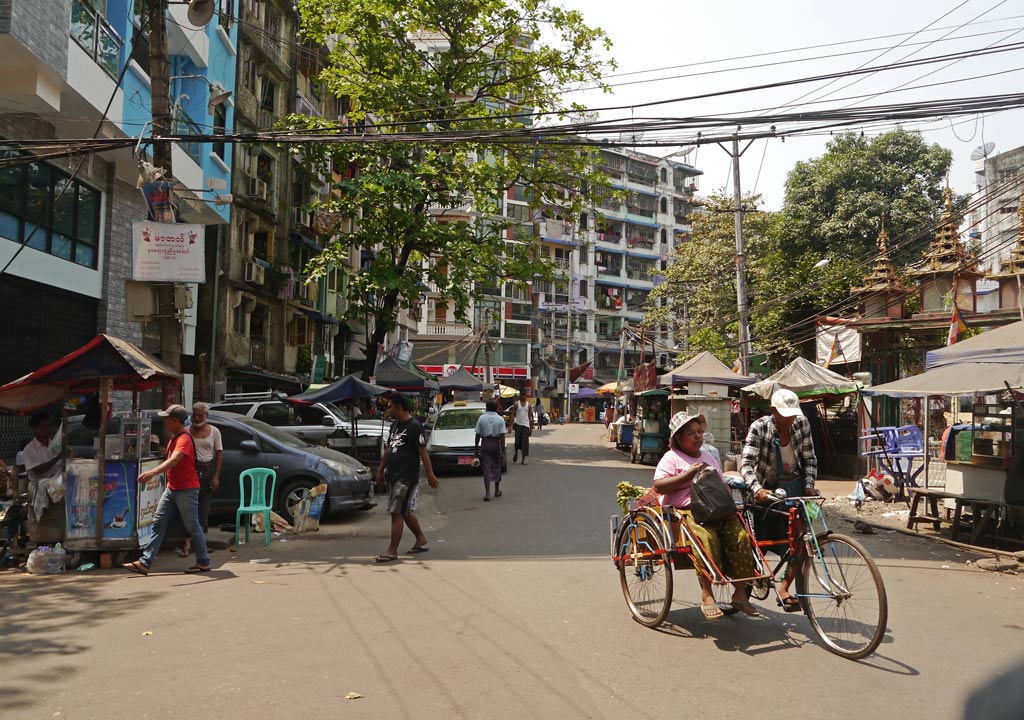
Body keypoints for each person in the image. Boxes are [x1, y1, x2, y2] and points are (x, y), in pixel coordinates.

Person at [654, 411, 757, 620]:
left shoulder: (708, 456)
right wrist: (688, 474)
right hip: (688, 510)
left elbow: (721, 482)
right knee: (706, 539)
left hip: (716, 508)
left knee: (742, 537)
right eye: (691, 433)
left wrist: (730, 505)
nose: (697, 436)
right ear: (679, 439)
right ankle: (707, 594)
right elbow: (659, 486)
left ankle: (739, 594)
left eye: (699, 432)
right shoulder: (671, 457)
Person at [739, 388, 819, 612]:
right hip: (765, 491)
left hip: (794, 487)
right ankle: (743, 587)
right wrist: (756, 488)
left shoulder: (801, 425)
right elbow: (746, 464)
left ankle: (784, 588)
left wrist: (810, 486)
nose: (790, 419)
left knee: (801, 543)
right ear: (773, 410)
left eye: (792, 414)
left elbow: (810, 458)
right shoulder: (760, 427)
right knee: (760, 543)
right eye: (785, 415)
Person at [124, 404, 210, 575]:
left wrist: (152, 473)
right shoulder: (174, 437)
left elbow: (175, 459)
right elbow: (171, 457)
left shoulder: (184, 438)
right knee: (158, 522)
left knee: (192, 526)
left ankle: (203, 561)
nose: (164, 422)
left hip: (186, 489)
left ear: (175, 420)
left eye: (167, 418)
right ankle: (145, 562)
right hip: (173, 487)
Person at [375, 394, 439, 563]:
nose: (389, 410)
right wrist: (380, 470)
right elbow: (389, 449)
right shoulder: (395, 426)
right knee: (404, 511)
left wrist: (430, 475)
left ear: (399, 407)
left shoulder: (414, 426)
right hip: (393, 475)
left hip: (406, 477)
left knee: (396, 511)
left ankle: (392, 550)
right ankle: (420, 538)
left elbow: (423, 452)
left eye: (391, 407)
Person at [180, 402, 222, 558]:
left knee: (204, 509)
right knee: (189, 509)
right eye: (195, 415)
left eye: (200, 415)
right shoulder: (186, 432)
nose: (197, 418)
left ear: (206, 416)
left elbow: (219, 455)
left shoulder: (214, 432)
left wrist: (216, 476)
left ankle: (200, 542)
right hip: (191, 473)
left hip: (208, 473)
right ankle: (187, 542)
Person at [474, 400, 507, 501]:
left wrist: (476, 448)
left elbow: (478, 434)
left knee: (486, 468)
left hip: (485, 444)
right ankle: (496, 490)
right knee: (497, 466)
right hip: (495, 444)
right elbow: (502, 437)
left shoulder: (481, 418)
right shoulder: (500, 419)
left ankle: (487, 493)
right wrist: (502, 451)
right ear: (496, 408)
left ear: (487, 408)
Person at [512, 394, 534, 465]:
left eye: (524, 395)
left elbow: (531, 417)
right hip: (518, 425)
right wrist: (510, 425)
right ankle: (516, 453)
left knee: (525, 443)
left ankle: (523, 459)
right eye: (522, 395)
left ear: (526, 396)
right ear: (520, 396)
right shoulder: (516, 404)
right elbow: (513, 414)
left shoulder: (529, 405)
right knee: (517, 441)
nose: (523, 396)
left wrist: (531, 428)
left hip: (526, 426)